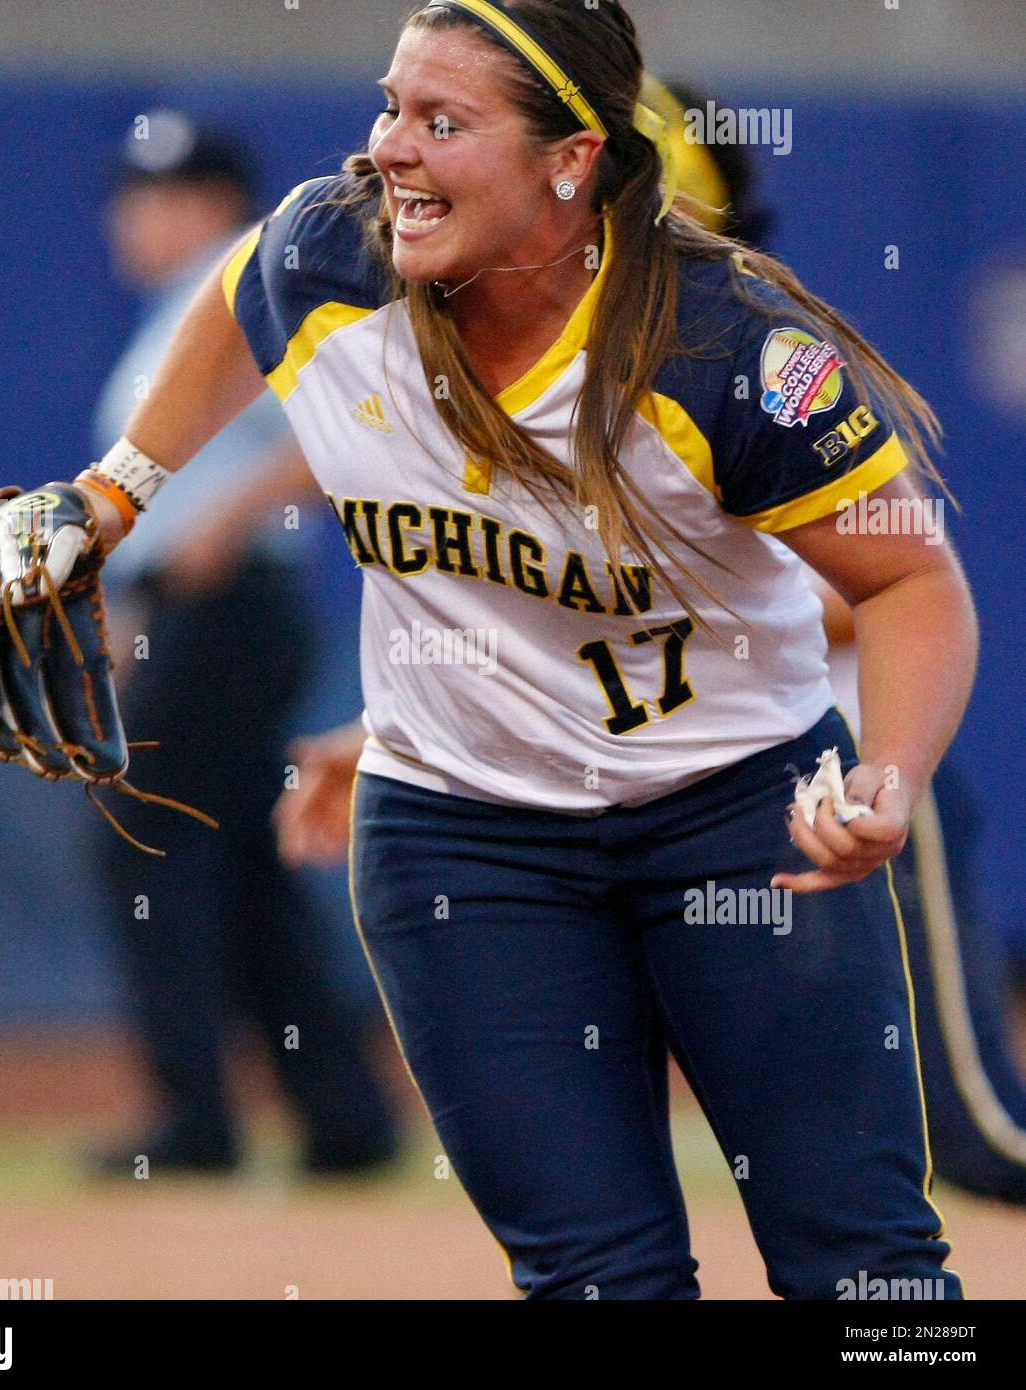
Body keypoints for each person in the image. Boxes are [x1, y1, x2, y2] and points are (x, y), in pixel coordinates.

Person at [55, 0, 977, 1297]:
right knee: (596, 1277)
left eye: (443, 121)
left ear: (570, 161)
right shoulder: (335, 260)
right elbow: (241, 277)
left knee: (864, 1271)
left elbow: (910, 581)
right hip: (464, 841)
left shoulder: (727, 355)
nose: (390, 149)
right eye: (388, 108)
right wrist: (113, 496)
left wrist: (889, 770)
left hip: (737, 812)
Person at [281, 70, 1026, 1209]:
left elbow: (876, 587)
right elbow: (563, 623)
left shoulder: (753, 362)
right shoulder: (548, 371)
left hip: (834, 786)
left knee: (963, 1149)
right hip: (676, 799)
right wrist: (382, 728)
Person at [87, 108, 398, 1178]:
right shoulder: (172, 312)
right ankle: (345, 1117)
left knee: (143, 839)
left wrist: (225, 523)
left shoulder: (255, 286)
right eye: (131, 195)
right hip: (187, 611)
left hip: (230, 606)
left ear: (216, 204)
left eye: (158, 195)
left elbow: (349, 430)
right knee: (241, 863)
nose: (132, 217)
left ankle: (194, 1120)